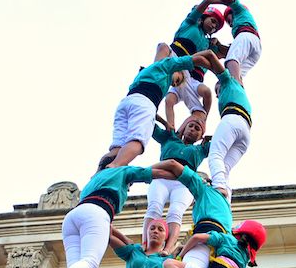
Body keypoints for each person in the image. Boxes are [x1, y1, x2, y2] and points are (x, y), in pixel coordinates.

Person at [43, 164, 175, 268]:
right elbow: (154, 171)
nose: (127, 188)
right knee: (90, 261)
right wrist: (181, 176)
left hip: (73, 216)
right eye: (128, 185)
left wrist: (125, 239)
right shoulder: (122, 170)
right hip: (96, 212)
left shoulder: (96, 178)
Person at [103, 49, 215, 169]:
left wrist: (166, 123)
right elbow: (166, 48)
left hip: (128, 102)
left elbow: (150, 119)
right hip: (144, 103)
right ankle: (115, 166)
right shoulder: (168, 66)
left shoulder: (148, 72)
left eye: (196, 129)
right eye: (177, 80)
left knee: (117, 148)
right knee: (137, 142)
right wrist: (217, 69)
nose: (174, 84)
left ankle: (101, 172)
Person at [144, 116, 211, 253]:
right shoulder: (170, 138)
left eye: (197, 129)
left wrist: (210, 139)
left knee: (175, 212)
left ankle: (167, 249)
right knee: (154, 208)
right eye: (190, 126)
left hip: (183, 183)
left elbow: (223, 143)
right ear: (184, 128)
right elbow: (148, 120)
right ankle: (145, 244)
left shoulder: (201, 149)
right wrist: (164, 122)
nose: (192, 129)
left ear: (200, 136)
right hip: (161, 179)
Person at [198, 50, 252, 199]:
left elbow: (211, 57)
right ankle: (225, 201)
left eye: (217, 90)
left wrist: (193, 60)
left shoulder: (229, 82)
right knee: (225, 167)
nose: (217, 95)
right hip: (245, 131)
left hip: (232, 119)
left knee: (215, 155)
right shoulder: (239, 93)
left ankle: (219, 187)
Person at [212, 0, 262, 81]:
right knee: (234, 75)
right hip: (256, 47)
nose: (231, 24)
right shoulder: (244, 22)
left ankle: (234, 85)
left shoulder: (240, 10)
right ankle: (236, 87)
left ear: (232, 12)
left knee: (231, 61)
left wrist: (207, 2)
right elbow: (229, 51)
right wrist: (218, 45)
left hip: (247, 35)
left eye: (229, 20)